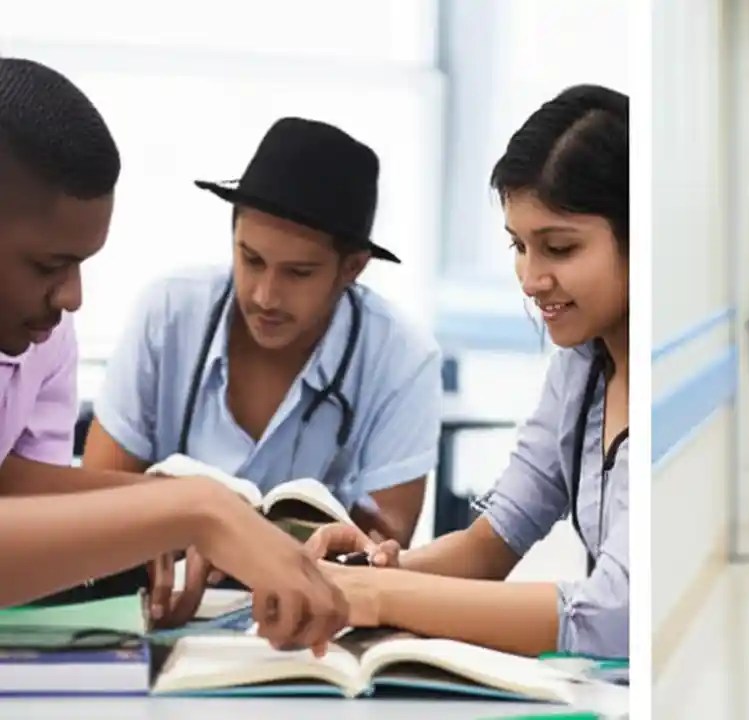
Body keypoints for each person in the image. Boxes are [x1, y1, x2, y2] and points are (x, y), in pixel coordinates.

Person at [0, 57, 347, 651]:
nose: (73, 298)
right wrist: (187, 512)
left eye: (80, 264)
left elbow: (10, 489)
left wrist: (169, 506)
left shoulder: (43, 336)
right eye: (49, 266)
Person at [304, 84, 630, 659]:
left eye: (558, 248)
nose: (530, 279)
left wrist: (381, 597)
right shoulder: (577, 374)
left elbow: (611, 617)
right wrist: (383, 564)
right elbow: (491, 543)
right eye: (519, 246)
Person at [80, 117, 443, 626]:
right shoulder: (167, 312)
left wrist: (250, 541)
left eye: (298, 273)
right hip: (155, 614)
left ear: (352, 269)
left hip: (301, 627)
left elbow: (380, 549)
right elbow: (94, 498)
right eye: (251, 260)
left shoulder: (402, 359)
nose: (265, 296)